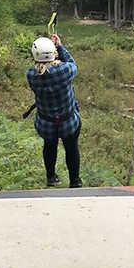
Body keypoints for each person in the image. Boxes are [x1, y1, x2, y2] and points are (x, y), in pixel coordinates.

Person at [26, 33, 82, 188]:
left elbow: (43, 69)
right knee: (72, 149)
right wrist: (60, 47)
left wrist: (52, 50)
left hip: (46, 124)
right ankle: (75, 182)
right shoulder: (65, 71)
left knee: (49, 146)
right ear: (53, 54)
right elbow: (72, 64)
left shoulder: (31, 75)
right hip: (69, 122)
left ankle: (51, 177)